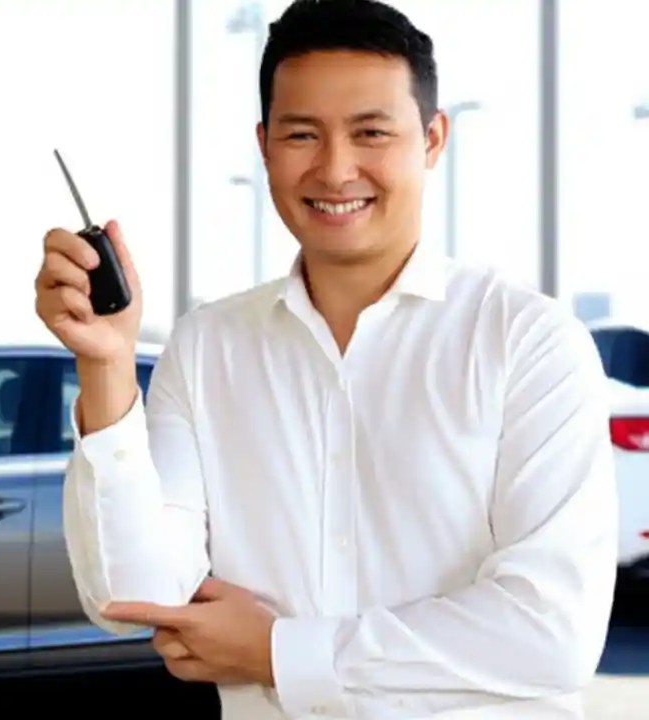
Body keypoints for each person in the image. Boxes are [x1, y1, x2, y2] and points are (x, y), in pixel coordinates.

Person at [32, 0, 617, 717]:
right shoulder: (208, 346)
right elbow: (135, 597)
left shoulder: (529, 340)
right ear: (264, 144)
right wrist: (107, 365)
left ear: (432, 139)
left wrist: (276, 653)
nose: (336, 170)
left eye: (371, 132)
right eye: (302, 134)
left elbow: (550, 633)